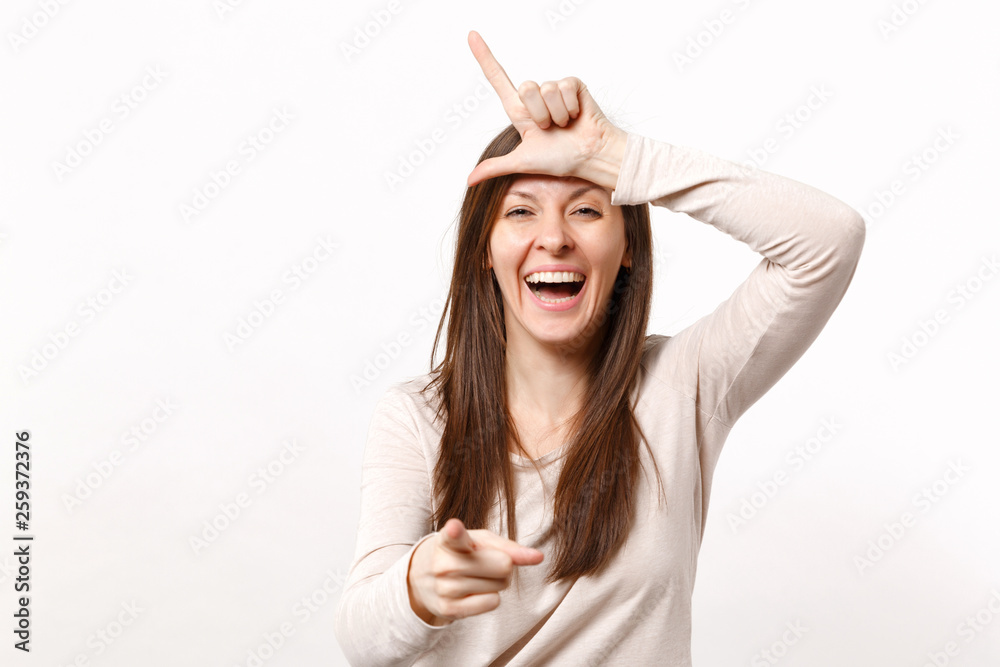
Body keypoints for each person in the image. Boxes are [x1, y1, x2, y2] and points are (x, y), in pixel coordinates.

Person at [334, 30, 865, 666]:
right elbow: (362, 640)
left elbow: (829, 239)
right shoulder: (418, 417)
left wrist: (618, 158)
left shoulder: (683, 385)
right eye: (521, 212)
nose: (553, 239)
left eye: (586, 210)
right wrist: (417, 585)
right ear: (485, 250)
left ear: (629, 245)